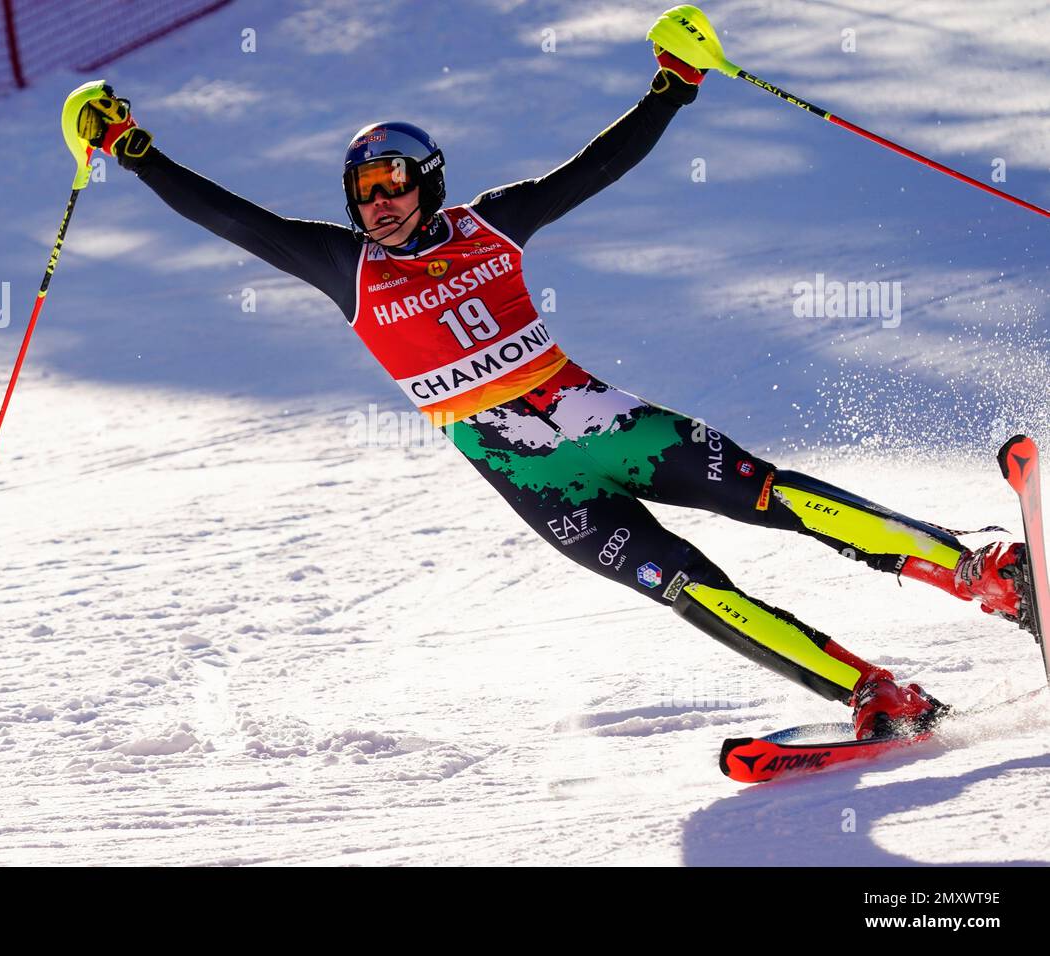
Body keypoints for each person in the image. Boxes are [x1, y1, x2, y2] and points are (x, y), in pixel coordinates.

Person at [69, 32, 1028, 741]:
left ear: (430, 181)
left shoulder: (494, 226)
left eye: (396, 181)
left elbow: (596, 168)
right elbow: (227, 216)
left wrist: (672, 88)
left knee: (773, 500)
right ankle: (872, 695)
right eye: (364, 189)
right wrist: (132, 148)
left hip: (615, 429)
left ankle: (979, 574)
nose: (382, 200)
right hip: (539, 489)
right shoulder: (342, 267)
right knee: (690, 590)